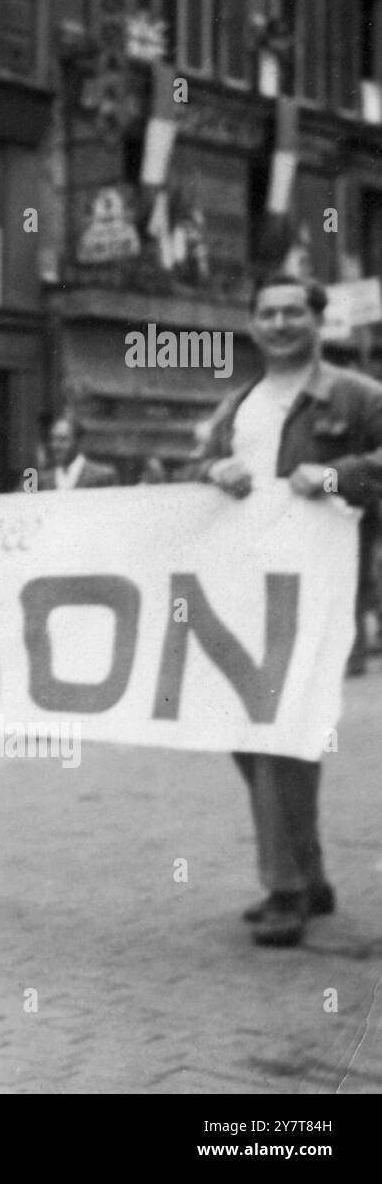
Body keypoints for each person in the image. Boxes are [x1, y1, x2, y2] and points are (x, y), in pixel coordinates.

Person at [194, 272, 382, 947]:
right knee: (252, 736)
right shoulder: (236, 405)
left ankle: (285, 889)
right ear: (251, 325)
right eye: (267, 313)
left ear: (317, 321)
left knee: (280, 731)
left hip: (318, 596)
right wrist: (211, 471)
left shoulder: (355, 394)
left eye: (293, 312)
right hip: (241, 591)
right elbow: (196, 473)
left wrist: (335, 475)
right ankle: (311, 871)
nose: (279, 323)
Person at [35, 416, 117, 490]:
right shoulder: (43, 480)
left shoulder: (102, 476)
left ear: (78, 441)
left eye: (62, 440)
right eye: (53, 439)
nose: (55, 446)